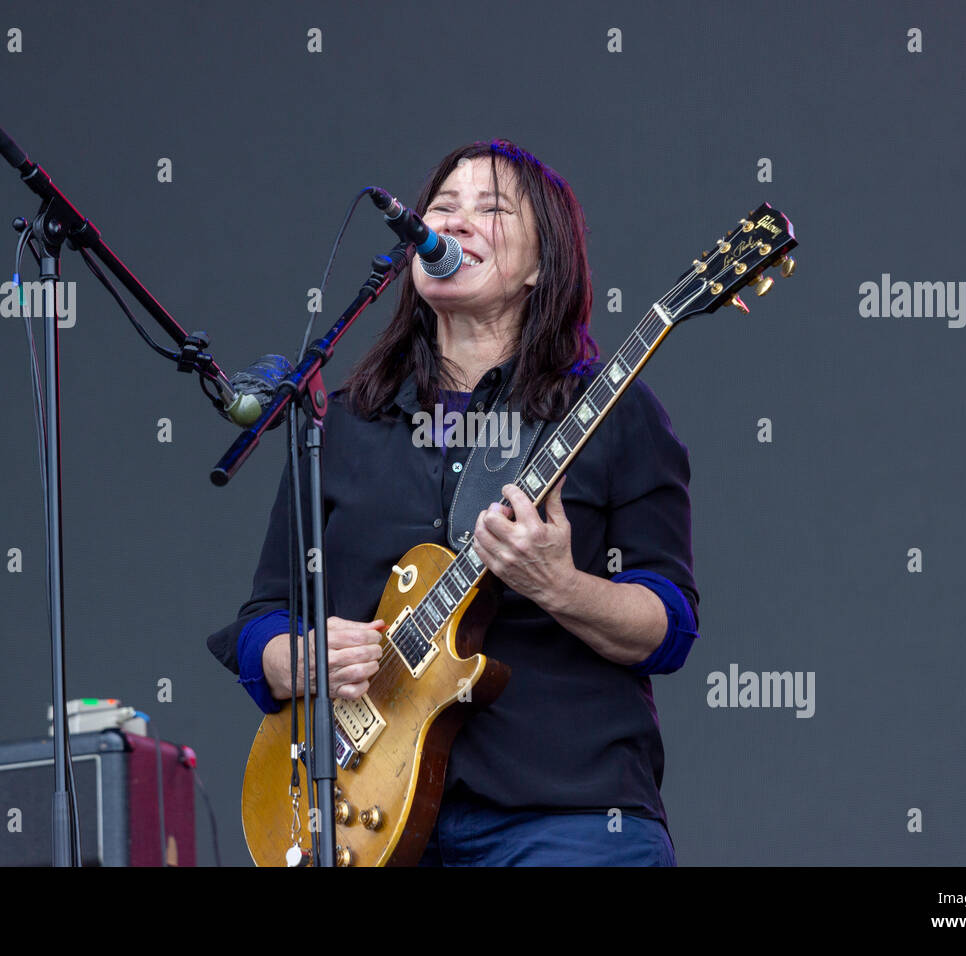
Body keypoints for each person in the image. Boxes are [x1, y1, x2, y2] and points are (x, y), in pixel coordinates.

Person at [206, 139, 700, 866]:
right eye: (442, 208)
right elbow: (263, 620)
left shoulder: (615, 414)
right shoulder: (342, 426)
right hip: (364, 821)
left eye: (492, 209)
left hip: (566, 817)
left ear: (541, 265)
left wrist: (560, 586)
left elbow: (671, 627)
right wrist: (293, 659)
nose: (457, 221)